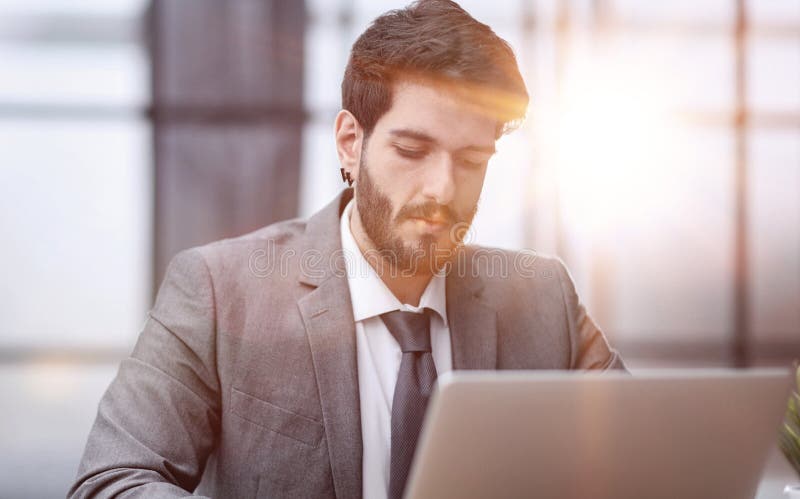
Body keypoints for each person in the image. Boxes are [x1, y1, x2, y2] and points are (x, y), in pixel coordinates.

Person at [68, 1, 625, 498]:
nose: (443, 189)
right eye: (412, 150)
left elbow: (643, 459)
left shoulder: (542, 297)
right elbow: (112, 481)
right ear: (350, 144)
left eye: (472, 161)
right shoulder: (219, 290)